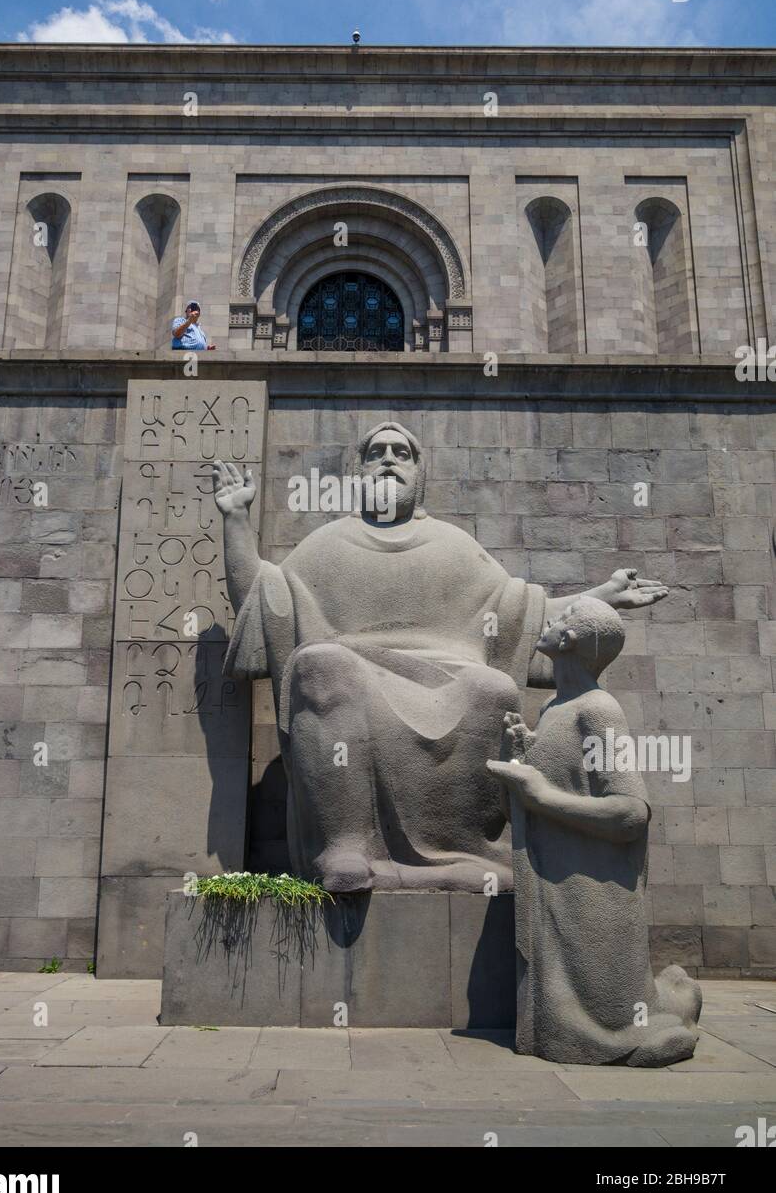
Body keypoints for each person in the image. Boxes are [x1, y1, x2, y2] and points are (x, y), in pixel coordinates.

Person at [212, 420, 669, 893]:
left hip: (446, 677)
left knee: (492, 686)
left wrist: (602, 597)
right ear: (359, 471)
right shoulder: (324, 546)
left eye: (401, 453)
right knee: (323, 666)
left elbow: (521, 617)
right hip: (352, 679)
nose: (389, 459)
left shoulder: (453, 547)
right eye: (376, 453)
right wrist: (236, 521)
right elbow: (264, 607)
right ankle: (347, 846)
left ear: (419, 473)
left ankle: (461, 849)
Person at [487, 597, 701, 1066]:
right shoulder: (551, 708)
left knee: (608, 1016)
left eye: (562, 617)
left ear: (569, 641)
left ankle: (654, 1023)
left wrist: (541, 794)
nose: (550, 617)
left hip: (594, 895)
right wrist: (519, 756)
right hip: (556, 888)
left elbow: (630, 812)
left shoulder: (599, 710)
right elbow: (530, 800)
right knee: (561, 1012)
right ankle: (665, 1004)